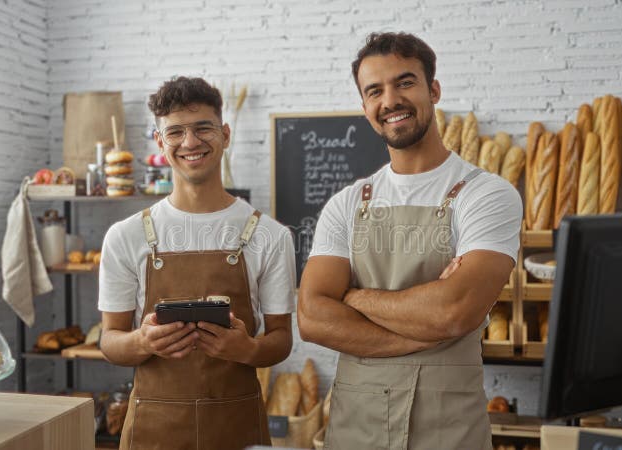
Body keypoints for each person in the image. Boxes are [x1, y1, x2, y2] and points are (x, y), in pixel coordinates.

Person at [298, 32, 521, 449]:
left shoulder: (485, 194)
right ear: (365, 107)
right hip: (353, 431)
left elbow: (455, 310)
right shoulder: (346, 204)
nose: (391, 101)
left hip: (449, 432)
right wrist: (424, 330)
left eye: (405, 83)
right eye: (375, 91)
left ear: (433, 90)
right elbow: (311, 318)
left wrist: (352, 297)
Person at [98, 76, 296, 450]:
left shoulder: (269, 235)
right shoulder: (125, 236)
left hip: (237, 427)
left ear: (224, 134)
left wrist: (247, 350)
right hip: (153, 431)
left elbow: (281, 338)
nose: (189, 142)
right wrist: (143, 341)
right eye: (175, 132)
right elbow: (110, 341)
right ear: (160, 142)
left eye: (202, 128)